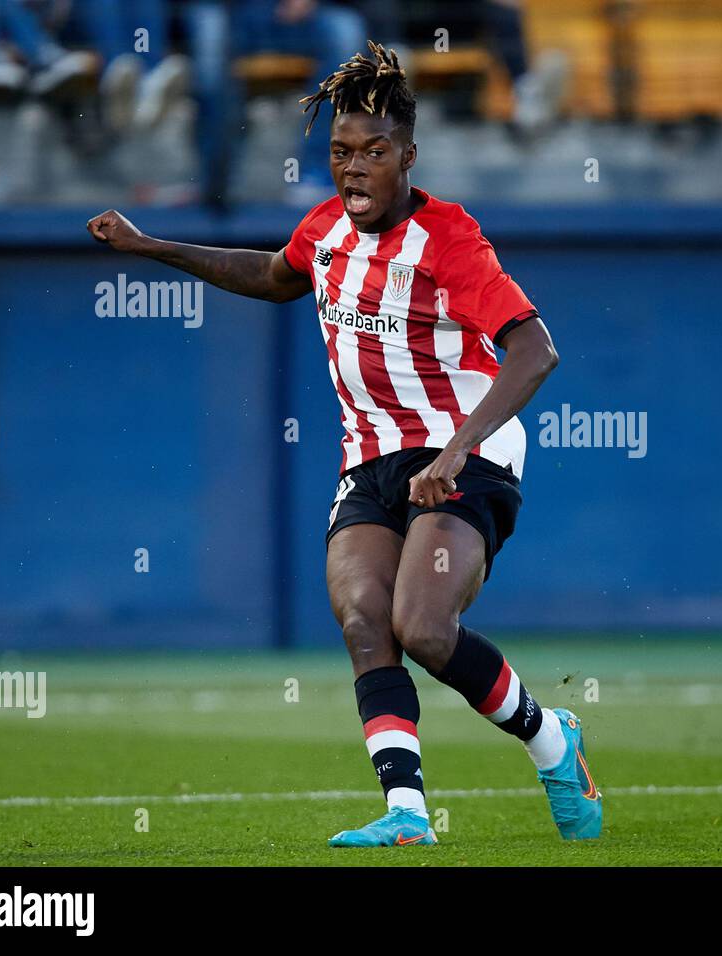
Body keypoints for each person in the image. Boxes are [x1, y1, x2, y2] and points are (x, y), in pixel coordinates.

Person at [85, 41, 602, 848]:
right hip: (370, 462)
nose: (353, 169)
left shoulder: (450, 240)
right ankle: (406, 815)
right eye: (339, 152)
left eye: (373, 152)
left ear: (407, 158)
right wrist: (155, 248)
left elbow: (536, 350)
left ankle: (551, 740)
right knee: (365, 617)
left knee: (425, 630)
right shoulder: (325, 229)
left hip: (464, 455)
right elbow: (272, 275)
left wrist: (459, 450)